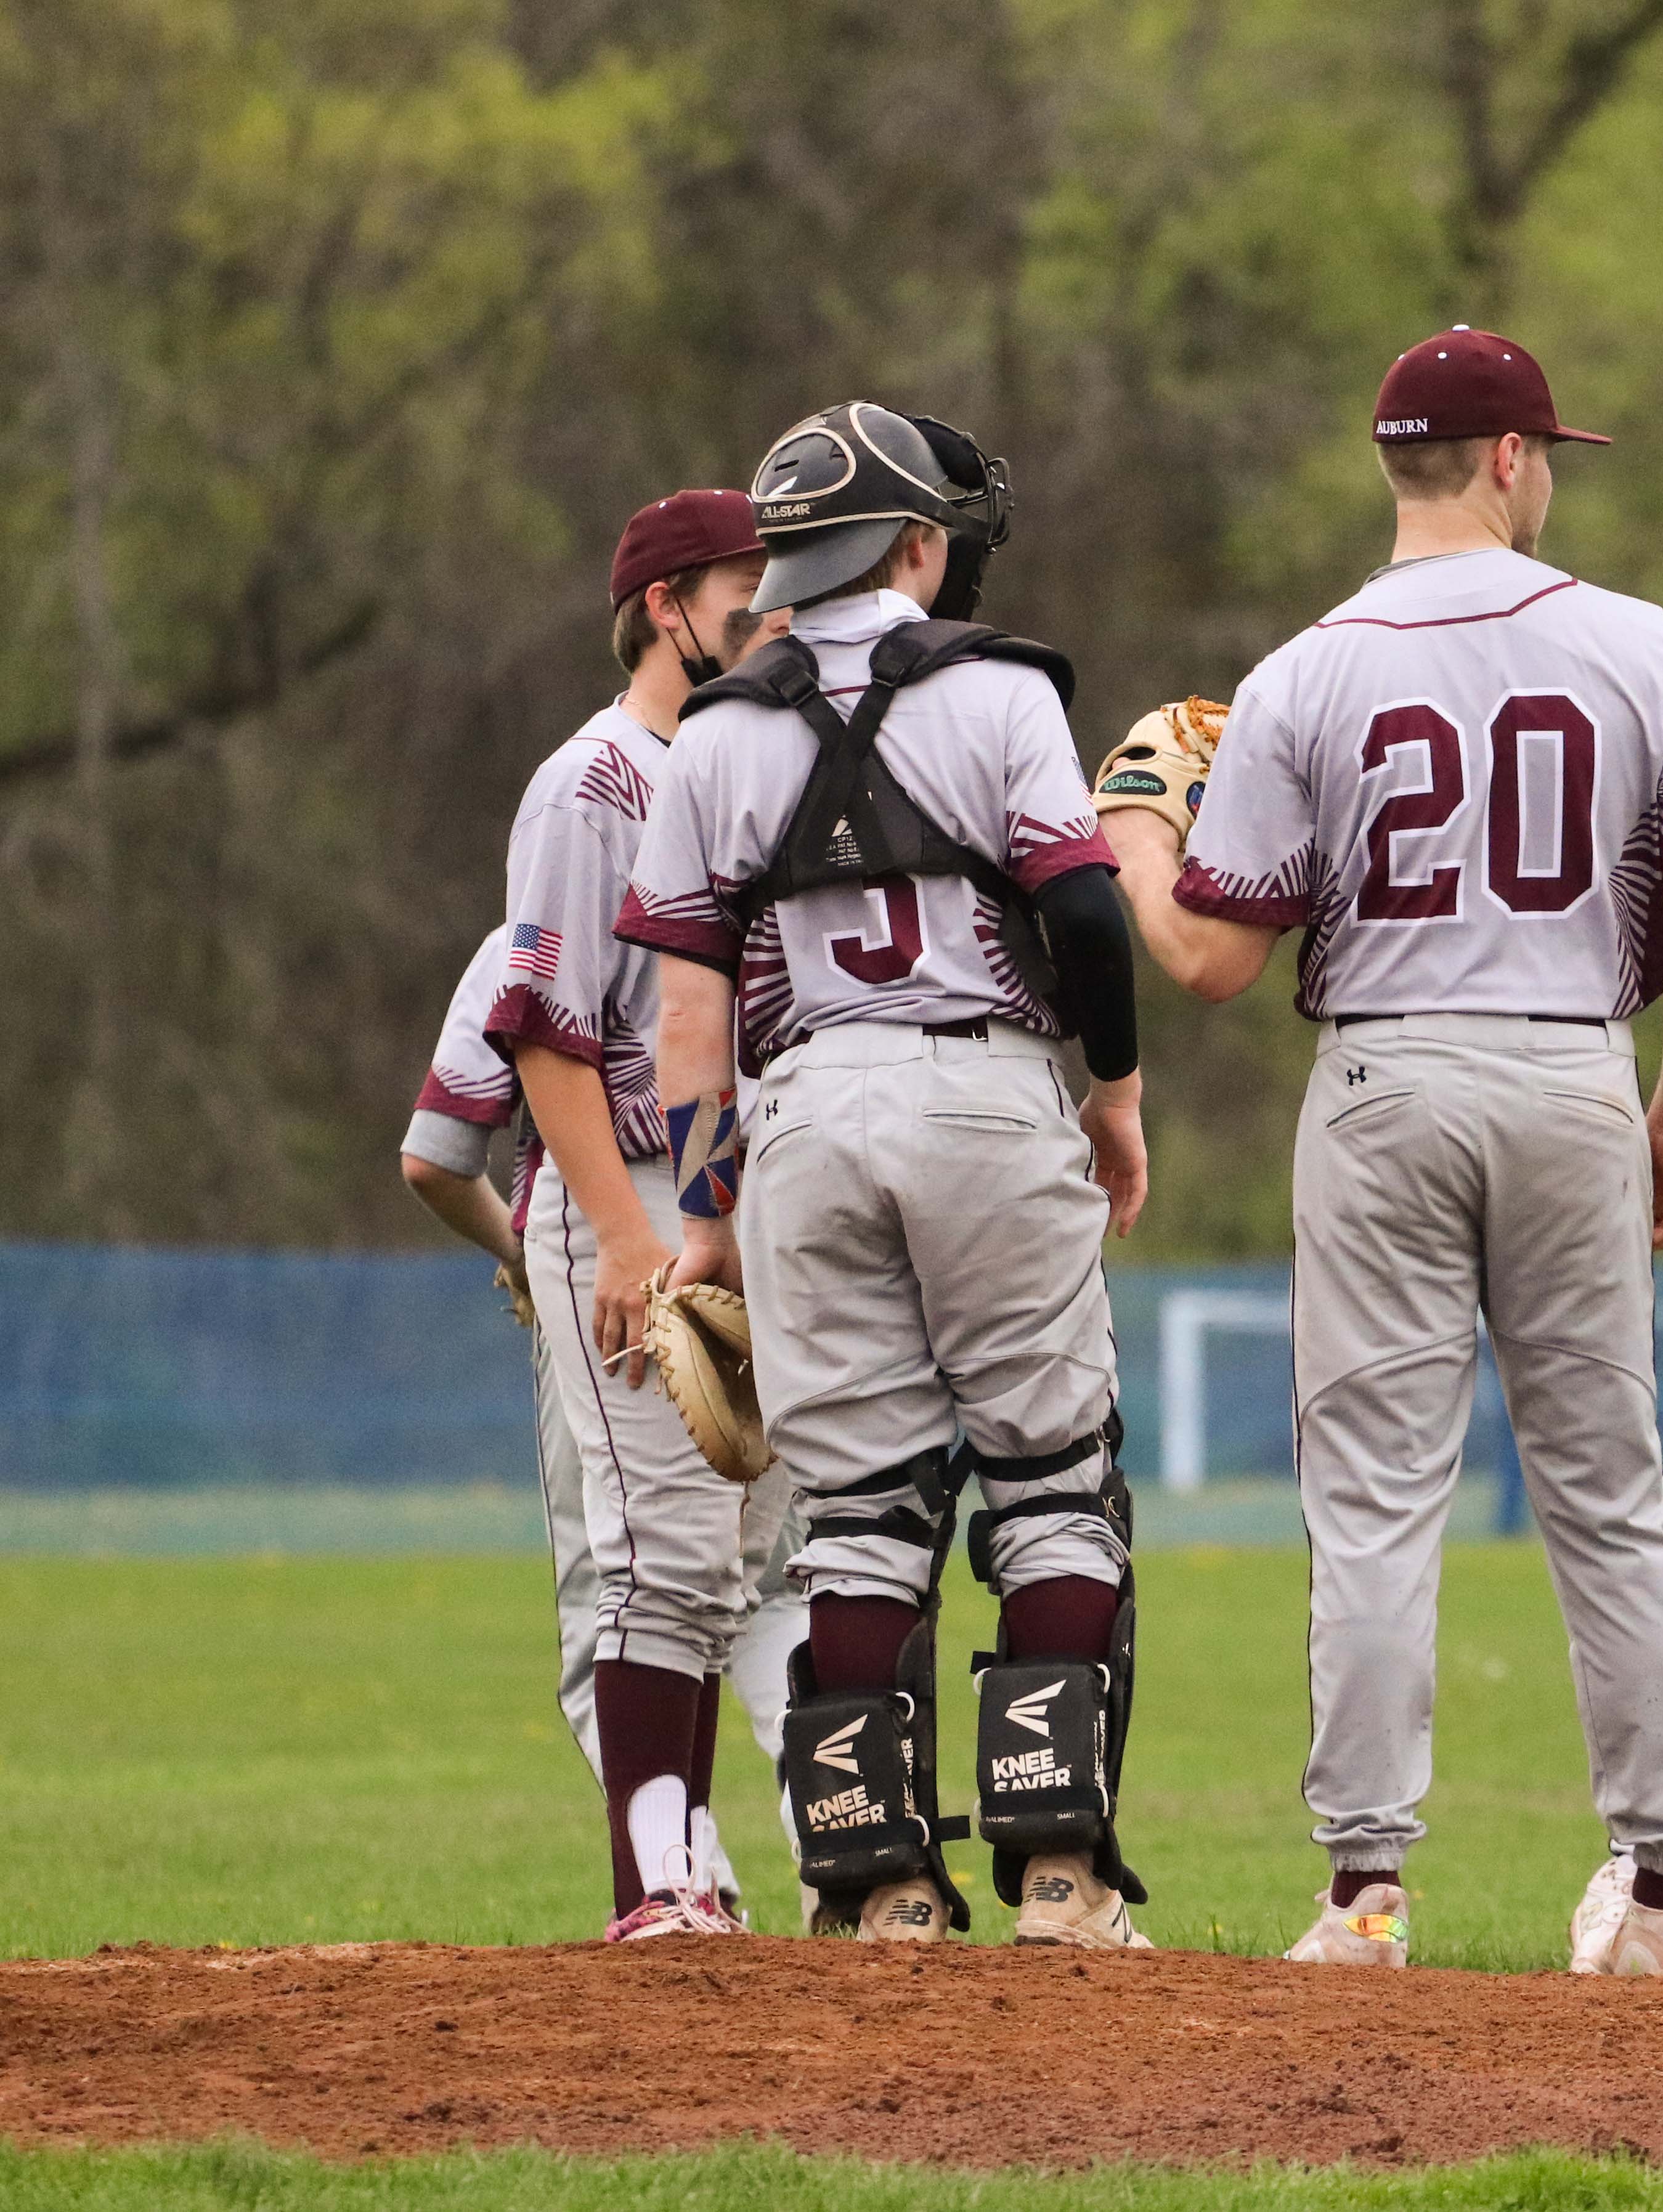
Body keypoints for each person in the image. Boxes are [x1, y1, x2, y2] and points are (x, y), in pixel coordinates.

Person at [1099, 327, 1663, 1979]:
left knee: (1378, 1495)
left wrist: (1128, 828)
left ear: (1396, 462)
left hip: (1385, 1074)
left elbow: (1211, 962)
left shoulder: (1308, 668)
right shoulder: (1636, 642)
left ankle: (1369, 1895)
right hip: (1565, 1064)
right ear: (1511, 461)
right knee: (1610, 1492)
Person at [620, 402, 1156, 1950]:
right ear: (918, 547)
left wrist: (709, 1216)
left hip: (801, 1121)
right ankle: (1057, 1880)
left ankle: (880, 1891)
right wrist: (1111, 1098)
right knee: (1052, 1480)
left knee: (856, 1515)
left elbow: (690, 1017)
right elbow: (1092, 921)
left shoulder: (713, 732)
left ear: (789, 558)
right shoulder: (996, 694)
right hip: (984, 1091)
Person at [490, 488, 796, 1942]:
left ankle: (697, 1887)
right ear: (668, 607)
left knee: (726, 1559)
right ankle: (651, 1890)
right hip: (628, 1196)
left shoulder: (746, 765)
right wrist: (620, 1236)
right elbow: (545, 1033)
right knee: (654, 1549)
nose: (773, 605)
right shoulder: (593, 784)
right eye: (748, 584)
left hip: (729, 1198)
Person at [399, 921, 806, 1923]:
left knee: (624, 1593)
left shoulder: (534, 938)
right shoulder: (766, 902)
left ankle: (684, 1886)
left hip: (617, 1276)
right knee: (783, 1587)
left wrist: (527, 1257)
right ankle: (846, 1854)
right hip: (783, 1262)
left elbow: (436, 1158)